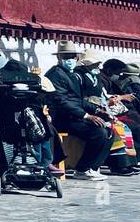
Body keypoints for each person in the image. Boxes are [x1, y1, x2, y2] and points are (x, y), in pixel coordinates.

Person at [0, 52, 60, 183]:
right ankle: (35, 163)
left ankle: (41, 163)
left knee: (41, 125)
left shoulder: (4, 79)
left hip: (10, 116)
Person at [44, 41, 110, 181]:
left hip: (75, 116)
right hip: (62, 118)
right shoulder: (55, 74)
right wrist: (86, 116)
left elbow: (78, 100)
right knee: (98, 132)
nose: (71, 60)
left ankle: (93, 167)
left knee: (109, 129)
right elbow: (62, 101)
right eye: (67, 57)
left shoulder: (71, 74)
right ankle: (82, 169)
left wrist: (97, 110)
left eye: (73, 57)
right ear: (59, 58)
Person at [100, 58, 140, 171]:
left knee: (134, 128)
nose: (118, 76)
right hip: (106, 112)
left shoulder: (107, 79)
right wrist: (122, 97)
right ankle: (121, 164)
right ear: (109, 70)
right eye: (117, 73)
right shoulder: (101, 79)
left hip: (114, 111)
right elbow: (105, 97)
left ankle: (132, 161)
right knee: (128, 129)